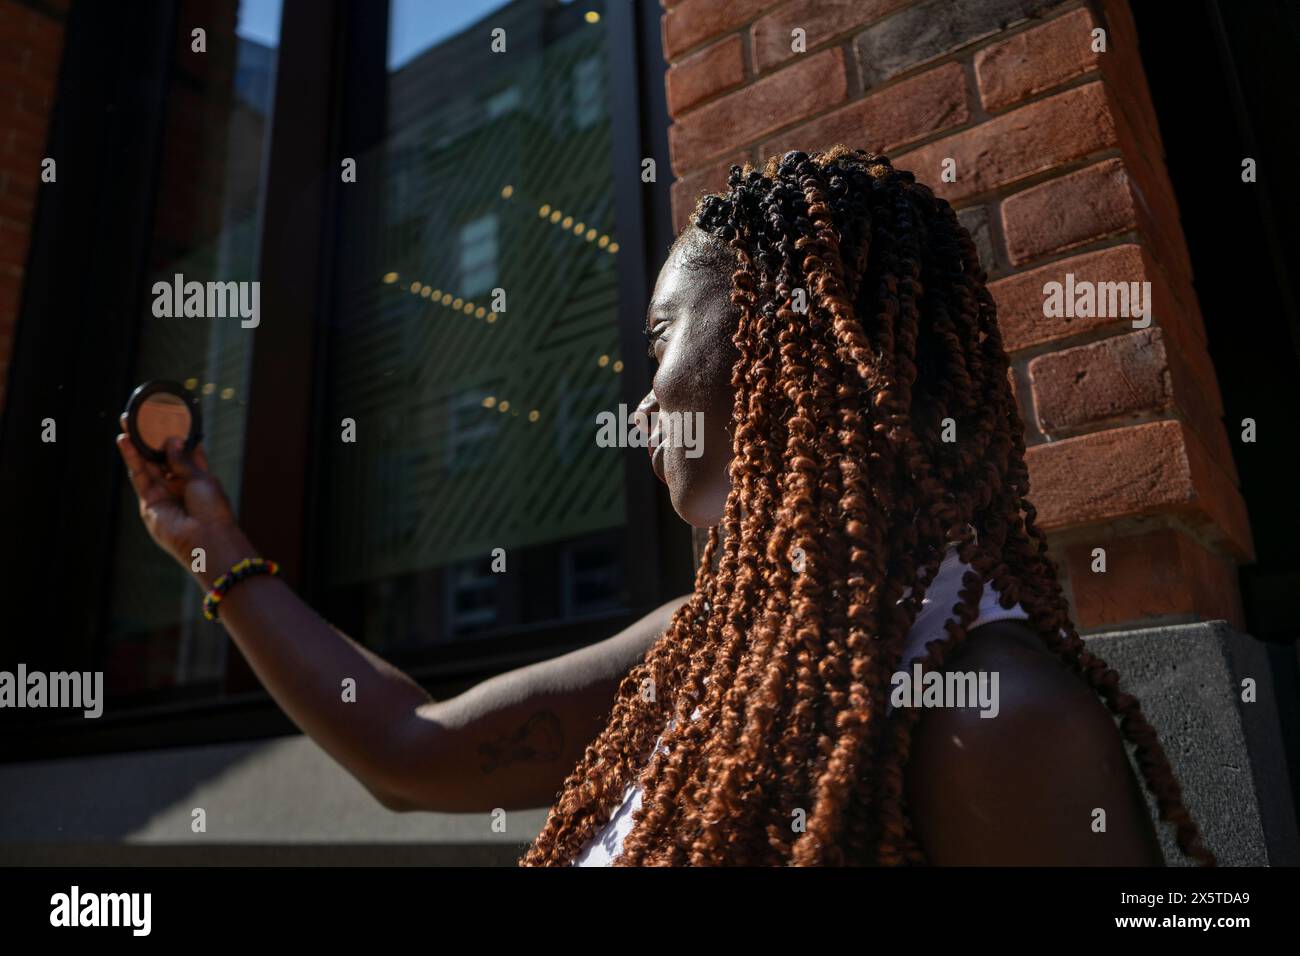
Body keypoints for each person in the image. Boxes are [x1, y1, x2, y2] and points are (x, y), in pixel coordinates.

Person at [116, 145, 1213, 867]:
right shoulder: (708, 646)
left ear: (789, 345)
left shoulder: (993, 716)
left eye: (657, 341)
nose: (640, 398)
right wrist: (216, 548)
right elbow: (412, 747)